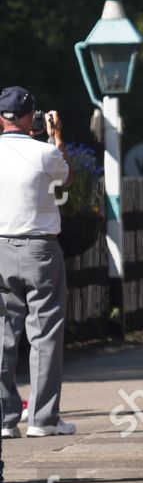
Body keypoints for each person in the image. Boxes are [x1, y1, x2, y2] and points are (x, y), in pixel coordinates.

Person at [0, 86, 75, 443]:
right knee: (44, 333)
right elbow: (65, 181)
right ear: (32, 117)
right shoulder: (45, 153)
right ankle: (43, 418)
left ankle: (5, 417)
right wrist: (56, 136)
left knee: (3, 335)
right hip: (40, 250)